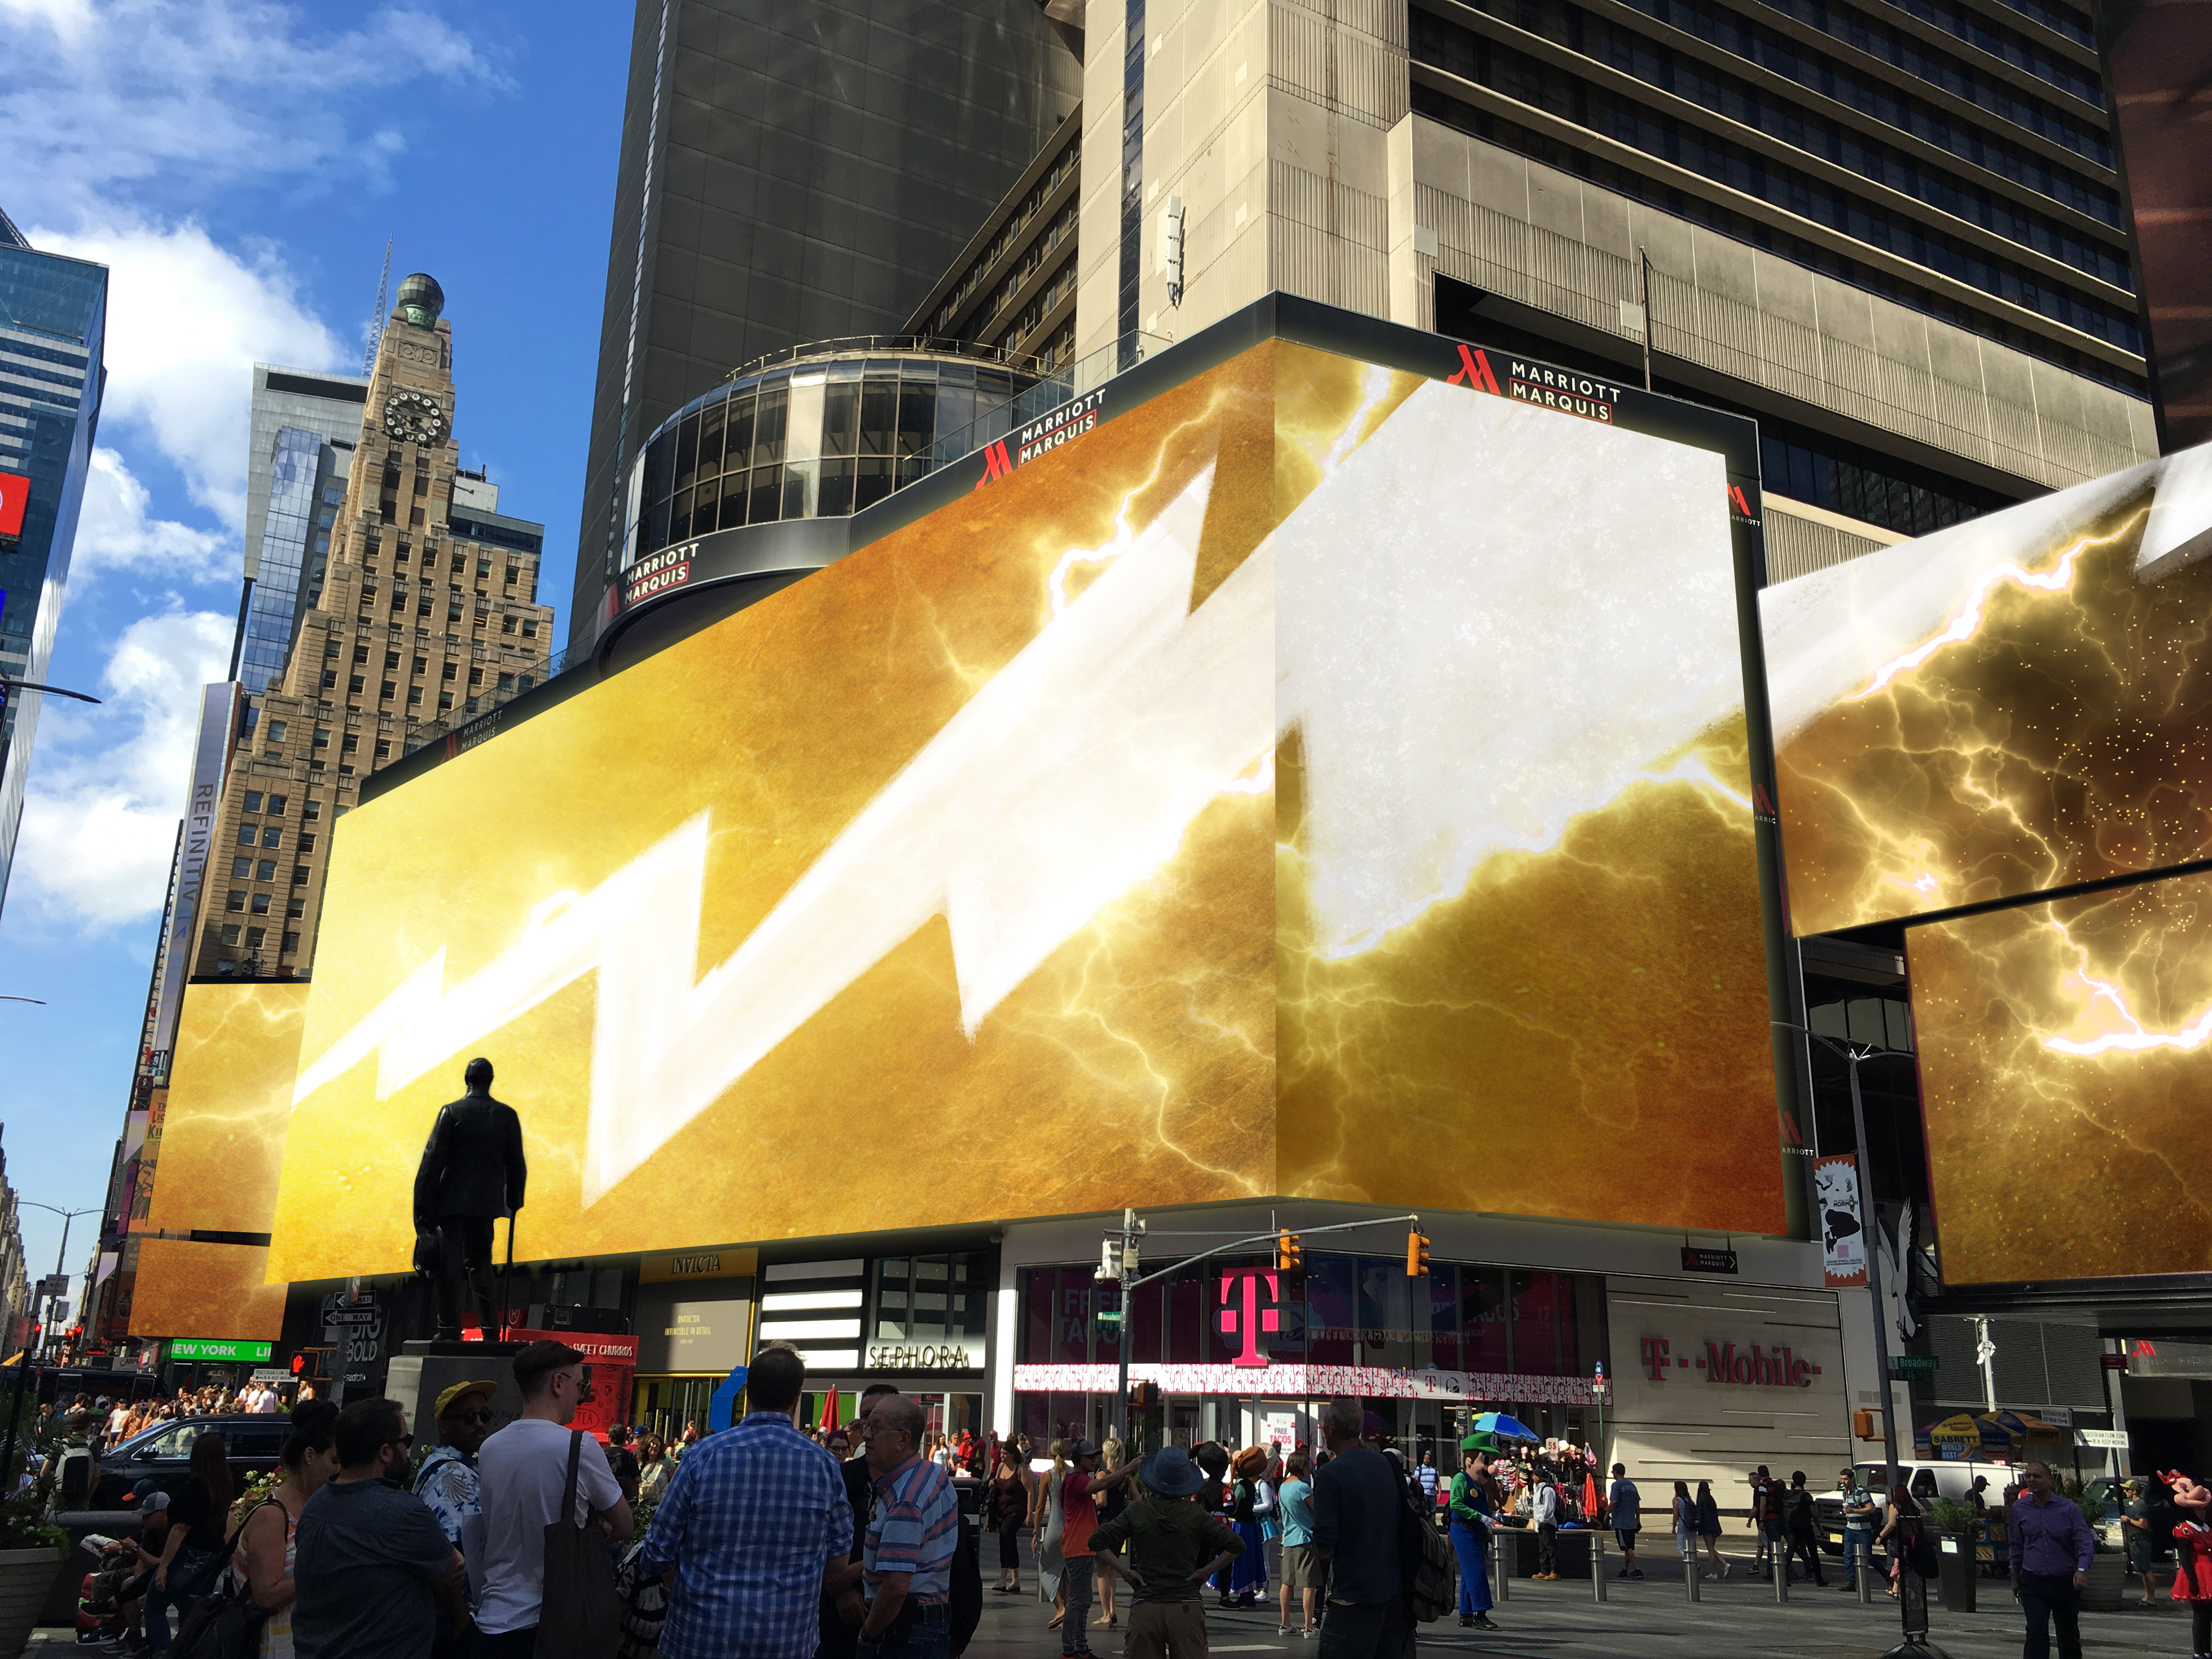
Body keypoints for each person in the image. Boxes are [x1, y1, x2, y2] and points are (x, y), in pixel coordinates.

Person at [641, 1344, 854, 1659]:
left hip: (700, 1638)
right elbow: (837, 1564)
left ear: (747, 1392)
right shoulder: (825, 1465)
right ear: (797, 1397)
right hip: (787, 1642)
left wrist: (683, 1589)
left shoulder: (702, 1456)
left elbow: (656, 1552)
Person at [472, 1341, 631, 1658]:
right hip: (552, 1622)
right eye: (581, 1385)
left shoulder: (490, 1447)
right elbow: (626, 1526)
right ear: (558, 1384)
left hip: (492, 1618)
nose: (581, 1395)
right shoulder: (578, 1445)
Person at [292, 1398, 465, 1659]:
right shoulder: (404, 1512)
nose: (408, 1451)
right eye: (405, 1442)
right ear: (385, 1452)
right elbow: (450, 1571)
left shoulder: (316, 1504)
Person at [1088, 1444, 1243, 1659]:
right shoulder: (1195, 1514)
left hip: (1146, 1606)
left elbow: (1096, 1540)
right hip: (1185, 1606)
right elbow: (1236, 1545)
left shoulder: (1138, 1512)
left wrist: (1126, 1572)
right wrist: (1205, 1572)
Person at [857, 1393, 961, 1659]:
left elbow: (897, 1585)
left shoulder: (906, 1497)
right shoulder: (930, 1473)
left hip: (905, 1630)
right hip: (926, 1623)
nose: (866, 1435)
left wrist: (869, 1633)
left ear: (903, 1439)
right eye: (866, 1425)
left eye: (876, 1427)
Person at [236, 1401, 341, 1659]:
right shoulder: (273, 1516)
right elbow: (266, 1597)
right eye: (334, 1460)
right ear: (309, 1456)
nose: (339, 1470)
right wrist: (324, 1571)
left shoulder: (319, 1509)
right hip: (272, 1647)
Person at [1312, 1397, 1413, 1659]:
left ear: (1331, 1427)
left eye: (1324, 1425)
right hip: (1393, 1592)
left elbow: (1325, 1545)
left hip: (1352, 1596)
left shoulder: (1329, 1475)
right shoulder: (1385, 1465)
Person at [148, 1431, 235, 1655]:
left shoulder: (195, 1487)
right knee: (191, 1609)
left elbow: (180, 1528)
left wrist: (164, 1566)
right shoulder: (223, 1485)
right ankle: (188, 1651)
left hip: (189, 1552)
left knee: (155, 1606)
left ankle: (163, 1651)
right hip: (212, 1553)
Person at [1056, 1440, 1139, 1659]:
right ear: (1078, 1460)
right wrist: (1128, 1469)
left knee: (1082, 1599)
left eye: (1095, 1455)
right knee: (1077, 1600)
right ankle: (1071, 1650)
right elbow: (1100, 1487)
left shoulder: (1074, 1479)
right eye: (1089, 1457)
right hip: (1078, 1546)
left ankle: (1079, 1648)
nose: (1093, 1459)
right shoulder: (1077, 1479)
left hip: (1084, 1544)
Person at [2009, 1460, 2092, 1659]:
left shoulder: (2069, 1509)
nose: (2031, 1480)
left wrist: (2082, 1570)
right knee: (2036, 1629)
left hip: (2064, 1581)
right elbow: (2015, 1544)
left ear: (2049, 1480)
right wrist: (2015, 1576)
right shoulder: (2020, 1508)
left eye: (2037, 1476)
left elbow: (2084, 1541)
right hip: (2033, 1580)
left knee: (2068, 1633)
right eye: (2028, 1476)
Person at [412, 1380, 495, 1548]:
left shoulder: (444, 1464)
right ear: (443, 1426)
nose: (479, 1423)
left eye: (485, 1415)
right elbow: (459, 1550)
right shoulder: (453, 1473)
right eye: (469, 1417)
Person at [1447, 1438, 1498, 1630]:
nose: (1490, 1468)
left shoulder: (1479, 1486)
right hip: (1463, 1529)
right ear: (1469, 1461)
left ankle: (1467, 1613)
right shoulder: (1461, 1479)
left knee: (1471, 1571)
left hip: (1476, 1531)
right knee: (1476, 1570)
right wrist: (1480, 1517)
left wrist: (1490, 1516)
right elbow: (1457, 1504)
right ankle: (1480, 1612)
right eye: (1485, 1461)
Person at [2166, 1469, 2212, 1658]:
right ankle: (2199, 1651)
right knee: (2200, 1615)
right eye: (2199, 1509)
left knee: (2208, 1615)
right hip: (2196, 1572)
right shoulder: (2184, 1529)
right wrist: (2193, 1581)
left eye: (2203, 1509)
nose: (2202, 1513)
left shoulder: (2207, 1529)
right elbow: (2184, 1556)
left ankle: (2207, 1649)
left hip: (2209, 1571)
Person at [1278, 1452, 1318, 1634]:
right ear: (1301, 1466)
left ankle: (1285, 1623)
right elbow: (1316, 1509)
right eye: (1307, 1465)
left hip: (1288, 1539)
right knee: (1309, 1584)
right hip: (1305, 1538)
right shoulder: (1303, 1488)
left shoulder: (1283, 1487)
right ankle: (1309, 1626)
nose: (1309, 1468)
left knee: (1287, 1582)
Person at [1227, 1447, 1270, 1607]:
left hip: (1240, 1526)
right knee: (1251, 1560)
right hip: (1251, 1526)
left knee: (1240, 1561)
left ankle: (1243, 1594)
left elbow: (1234, 1505)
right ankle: (1249, 1594)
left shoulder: (1240, 1487)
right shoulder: (1252, 1485)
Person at [1096, 1440, 1131, 1626]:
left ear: (1107, 1454)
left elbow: (1101, 1501)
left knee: (1102, 1570)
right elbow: (1137, 1497)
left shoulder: (1103, 1475)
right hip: (1120, 1526)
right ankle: (1113, 1609)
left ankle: (1105, 1614)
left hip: (1105, 1525)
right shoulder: (1126, 1477)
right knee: (1112, 1570)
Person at [989, 1438, 1030, 1594]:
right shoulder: (1000, 1467)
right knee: (1009, 1542)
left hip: (1016, 1510)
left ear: (1013, 1454)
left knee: (1005, 1537)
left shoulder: (1021, 1469)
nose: (1002, 1456)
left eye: (1005, 1454)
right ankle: (1015, 1580)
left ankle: (1003, 1578)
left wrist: (1030, 1514)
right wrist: (992, 1483)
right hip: (1001, 1510)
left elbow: (1030, 1491)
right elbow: (994, 1481)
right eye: (1001, 1453)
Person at [1877, 1481, 1921, 1601]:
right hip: (1914, 1539)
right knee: (1906, 1564)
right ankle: (1898, 1590)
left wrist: (1880, 1536)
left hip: (1901, 1539)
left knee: (1899, 1563)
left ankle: (1896, 1590)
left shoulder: (1895, 1506)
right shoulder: (1913, 1507)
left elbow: (1891, 1524)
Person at [1784, 1471, 1829, 1587]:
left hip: (1792, 1528)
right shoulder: (1806, 1496)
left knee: (1790, 1551)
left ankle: (1783, 1576)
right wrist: (1820, 1529)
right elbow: (1814, 1515)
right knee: (1813, 1552)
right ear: (1804, 1481)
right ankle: (1819, 1579)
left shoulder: (1788, 1495)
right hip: (1805, 1527)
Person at [2120, 1478, 2160, 1605]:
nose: (2125, 1492)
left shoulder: (2139, 1505)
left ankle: (2151, 1598)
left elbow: (2143, 1524)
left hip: (2140, 1540)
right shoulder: (2136, 1504)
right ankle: (2147, 1596)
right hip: (2136, 1539)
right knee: (2142, 1570)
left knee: (2146, 1569)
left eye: (2128, 1490)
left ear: (2134, 1491)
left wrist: (2128, 1520)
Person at [1838, 1468, 1878, 1592]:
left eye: (1845, 1479)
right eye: (1842, 1479)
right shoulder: (1845, 1493)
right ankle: (1851, 1581)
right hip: (1850, 1528)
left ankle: (1888, 1578)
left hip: (1862, 1530)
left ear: (1851, 1479)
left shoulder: (1861, 1493)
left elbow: (1871, 1509)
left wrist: (1854, 1511)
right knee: (1848, 1555)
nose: (1843, 1482)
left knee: (1868, 1557)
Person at [1608, 1463, 1642, 1579]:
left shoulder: (1616, 1485)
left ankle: (1638, 1570)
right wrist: (1638, 1520)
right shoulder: (1632, 1485)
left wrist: (1607, 1514)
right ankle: (1625, 1570)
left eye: (1613, 1472)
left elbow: (1614, 1502)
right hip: (1631, 1521)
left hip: (1621, 1521)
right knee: (1629, 1547)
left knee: (1626, 1547)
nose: (1613, 1474)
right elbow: (1637, 1505)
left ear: (1616, 1472)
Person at [1531, 1465, 1562, 1582]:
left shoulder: (1547, 1490)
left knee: (1551, 1547)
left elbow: (1549, 1507)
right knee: (1543, 1548)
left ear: (1539, 1478)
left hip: (1547, 1523)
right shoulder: (1538, 1489)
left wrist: (1544, 1520)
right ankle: (1544, 1570)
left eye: (1534, 1475)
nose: (1533, 1477)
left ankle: (1555, 1571)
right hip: (1541, 1523)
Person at [1694, 1479, 1726, 1579]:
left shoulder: (1701, 1499)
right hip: (1715, 1526)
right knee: (1712, 1548)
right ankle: (1724, 1564)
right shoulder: (1711, 1499)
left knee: (1710, 1550)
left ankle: (1715, 1571)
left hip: (1707, 1527)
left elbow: (1699, 1514)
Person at [605, 1424, 642, 1505]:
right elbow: (638, 1479)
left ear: (609, 1438)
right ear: (625, 1439)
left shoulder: (601, 1454)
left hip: (604, 1494)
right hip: (623, 1496)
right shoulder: (629, 1456)